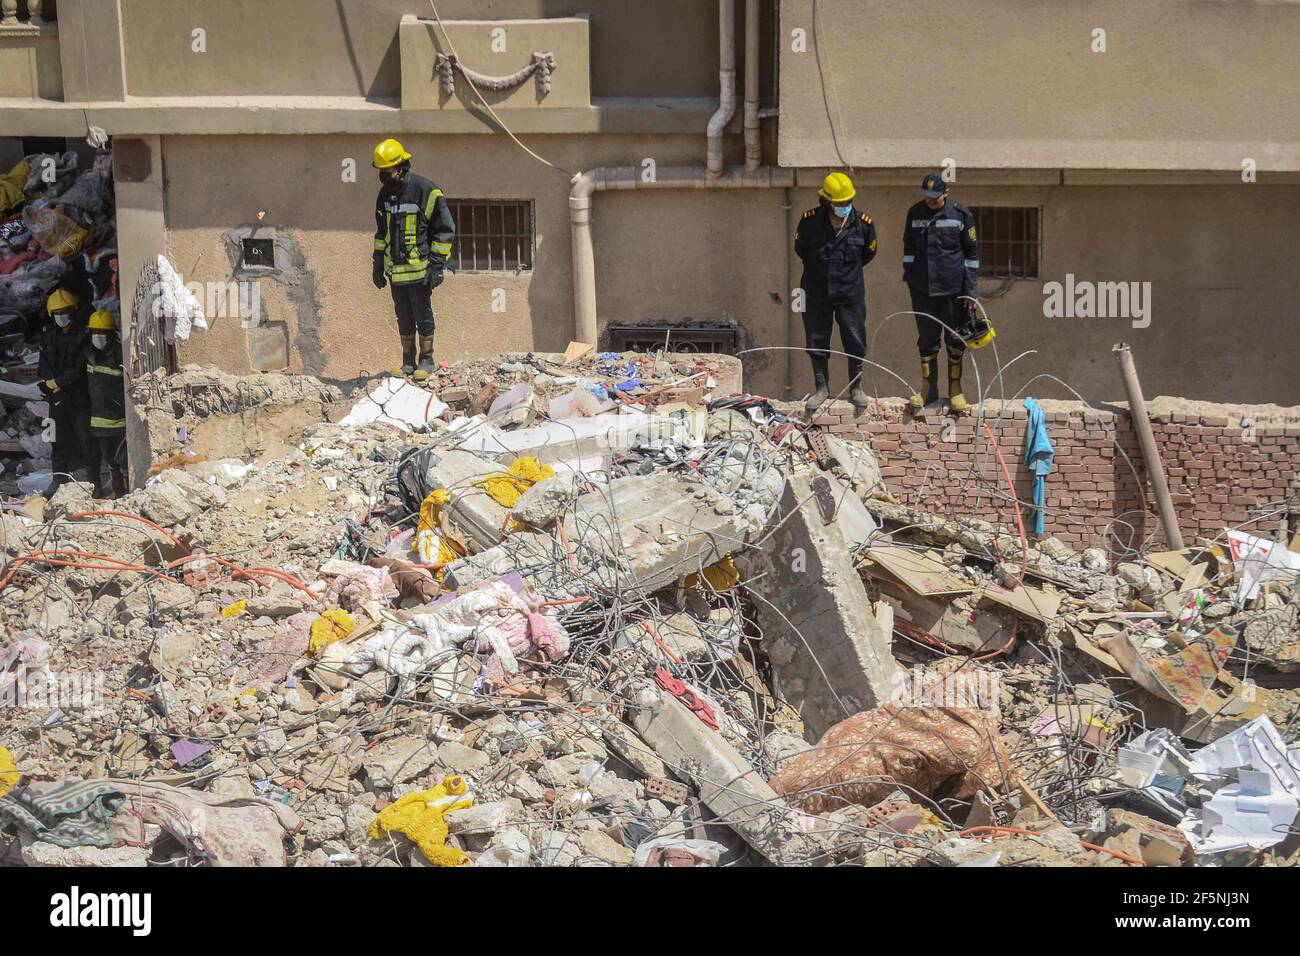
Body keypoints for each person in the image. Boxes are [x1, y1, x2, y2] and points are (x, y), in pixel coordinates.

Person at [371, 138, 455, 381]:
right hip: (396, 272)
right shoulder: (384, 196)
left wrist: (437, 265)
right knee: (403, 316)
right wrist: (377, 263)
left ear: (401, 167)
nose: (384, 177)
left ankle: (426, 360)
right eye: (381, 172)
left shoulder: (425, 191)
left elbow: (444, 229)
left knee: (422, 315)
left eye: (387, 172)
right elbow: (381, 231)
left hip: (420, 271)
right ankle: (408, 360)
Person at [794, 171, 878, 411]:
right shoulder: (809, 221)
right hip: (816, 291)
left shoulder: (863, 224)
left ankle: (855, 387)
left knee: (855, 339)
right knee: (816, 339)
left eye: (848, 202)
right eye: (840, 203)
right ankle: (821, 387)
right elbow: (801, 249)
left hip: (850, 292)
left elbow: (868, 253)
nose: (844, 206)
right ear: (827, 201)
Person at [902, 172, 981, 411]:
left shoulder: (961, 214)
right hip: (923, 291)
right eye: (927, 198)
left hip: (953, 292)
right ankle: (928, 389)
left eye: (934, 198)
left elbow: (972, 255)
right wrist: (911, 278)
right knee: (927, 342)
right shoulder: (915, 213)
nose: (930, 202)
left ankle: (955, 390)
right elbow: (908, 249)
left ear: (945, 193)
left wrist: (971, 291)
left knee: (955, 341)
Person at [38, 289, 95, 494]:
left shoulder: (84, 335)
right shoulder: (48, 336)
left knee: (86, 440)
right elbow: (43, 363)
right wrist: (50, 383)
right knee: (56, 439)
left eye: (65, 312)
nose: (62, 317)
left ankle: (93, 481)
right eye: (58, 313)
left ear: (73, 311)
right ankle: (58, 481)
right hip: (56, 400)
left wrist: (59, 382)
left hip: (78, 398)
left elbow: (81, 367)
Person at [84, 310, 128, 497]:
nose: (97, 337)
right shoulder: (88, 353)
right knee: (109, 459)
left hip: (119, 419)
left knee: (123, 461)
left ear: (111, 334)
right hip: (98, 419)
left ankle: (127, 494)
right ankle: (118, 493)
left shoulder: (120, 354)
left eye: (101, 333)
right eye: (94, 333)